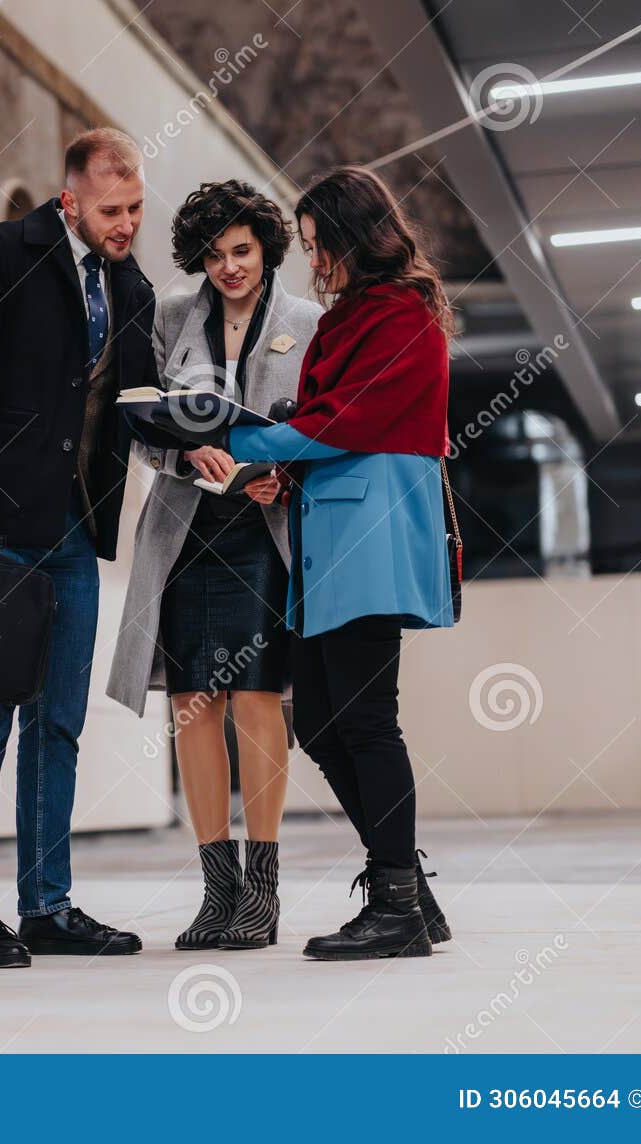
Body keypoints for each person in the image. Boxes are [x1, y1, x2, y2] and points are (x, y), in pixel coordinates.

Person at [0, 128, 154, 968]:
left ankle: (47, 906)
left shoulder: (132, 288)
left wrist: (205, 443)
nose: (125, 223)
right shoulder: (0, 254)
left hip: (72, 536)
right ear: (70, 202)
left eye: (134, 208)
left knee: (57, 724)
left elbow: (139, 400)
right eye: (110, 210)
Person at [225, 166, 456, 960]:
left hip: (376, 532)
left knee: (364, 719)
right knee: (322, 720)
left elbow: (351, 420)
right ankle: (410, 893)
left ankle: (395, 903)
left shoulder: (404, 314)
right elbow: (327, 423)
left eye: (322, 247)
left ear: (358, 239)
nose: (315, 264)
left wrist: (240, 439)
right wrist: (283, 466)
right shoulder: (350, 317)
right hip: (332, 533)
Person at [106, 180, 320, 950]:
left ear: (266, 248)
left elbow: (325, 426)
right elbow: (137, 421)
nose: (229, 266)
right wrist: (185, 452)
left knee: (259, 697)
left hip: (264, 530)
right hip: (188, 527)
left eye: (241, 250)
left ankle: (261, 895)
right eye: (214, 254)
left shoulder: (308, 323)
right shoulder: (169, 316)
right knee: (192, 702)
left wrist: (281, 470)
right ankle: (215, 891)